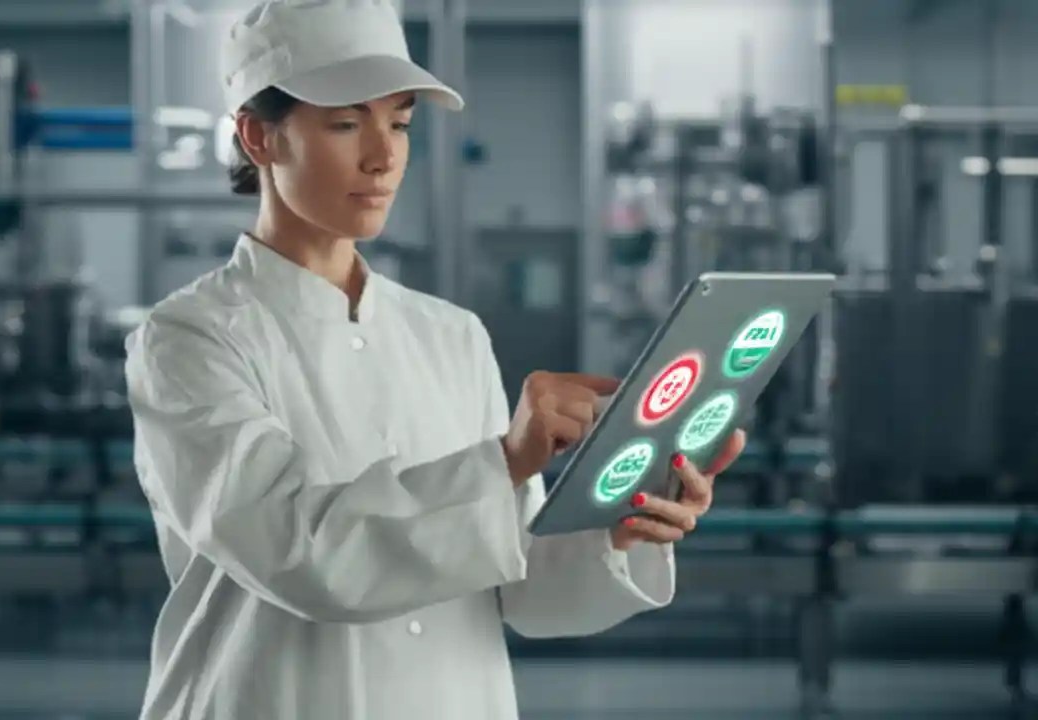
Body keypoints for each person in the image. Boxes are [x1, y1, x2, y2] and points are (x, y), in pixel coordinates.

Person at [123, 1, 746, 718]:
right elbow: (302, 555)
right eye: (346, 122)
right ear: (258, 136)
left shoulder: (450, 336)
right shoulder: (191, 339)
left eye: (400, 123)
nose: (383, 156)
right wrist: (507, 459)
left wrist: (619, 525)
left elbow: (520, 592)